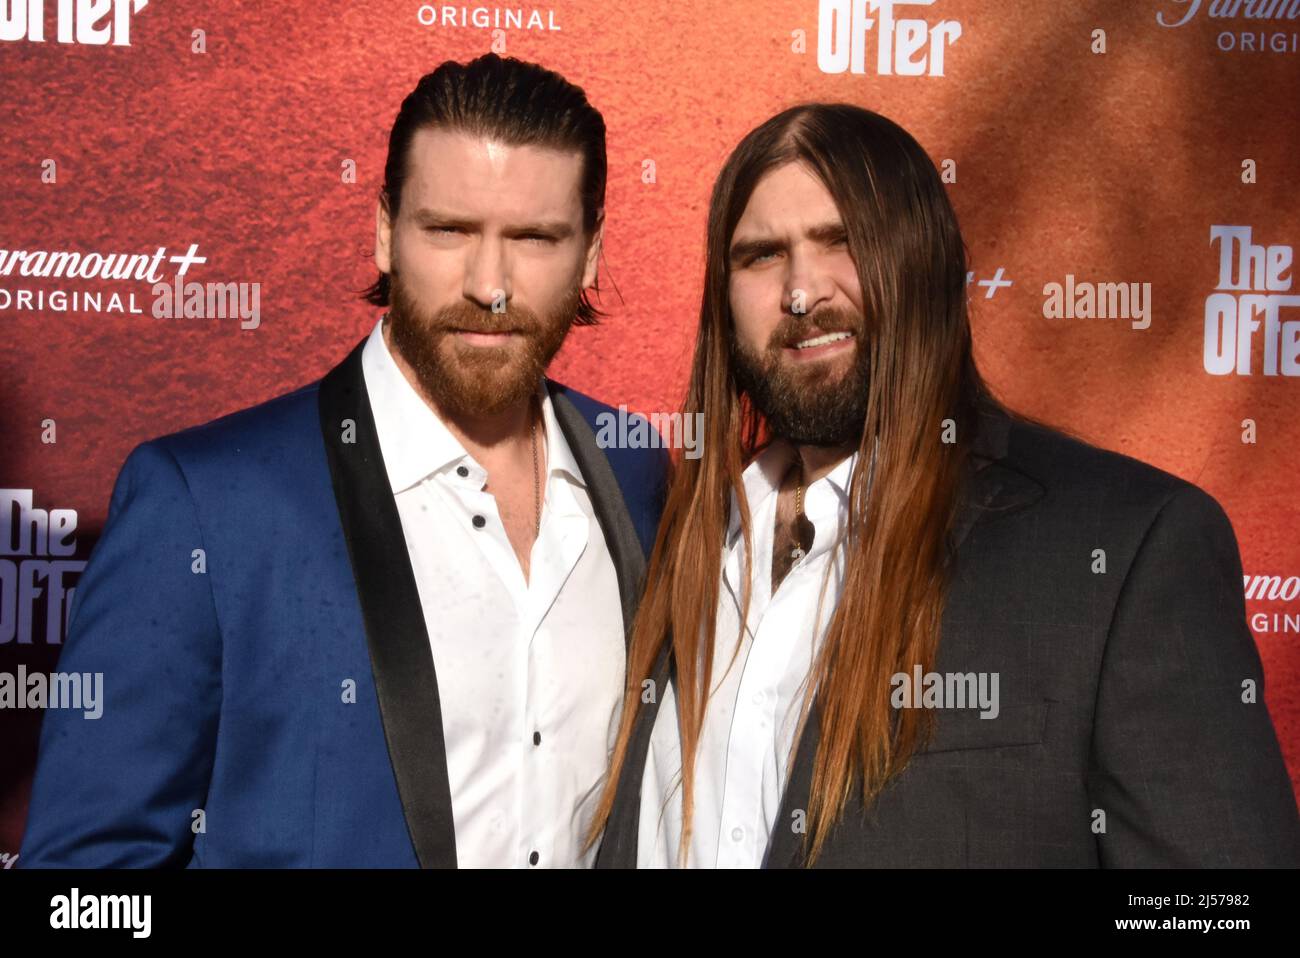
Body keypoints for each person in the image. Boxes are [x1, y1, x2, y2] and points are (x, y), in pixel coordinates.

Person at [589, 103, 1300, 868]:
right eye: (761, 256)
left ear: (926, 263)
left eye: (844, 242)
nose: (802, 292)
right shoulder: (672, 548)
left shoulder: (1123, 548)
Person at [20, 53, 665, 869]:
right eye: (449, 230)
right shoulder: (206, 509)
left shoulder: (642, 478)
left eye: (534, 238)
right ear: (384, 231)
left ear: (592, 254)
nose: (490, 284)